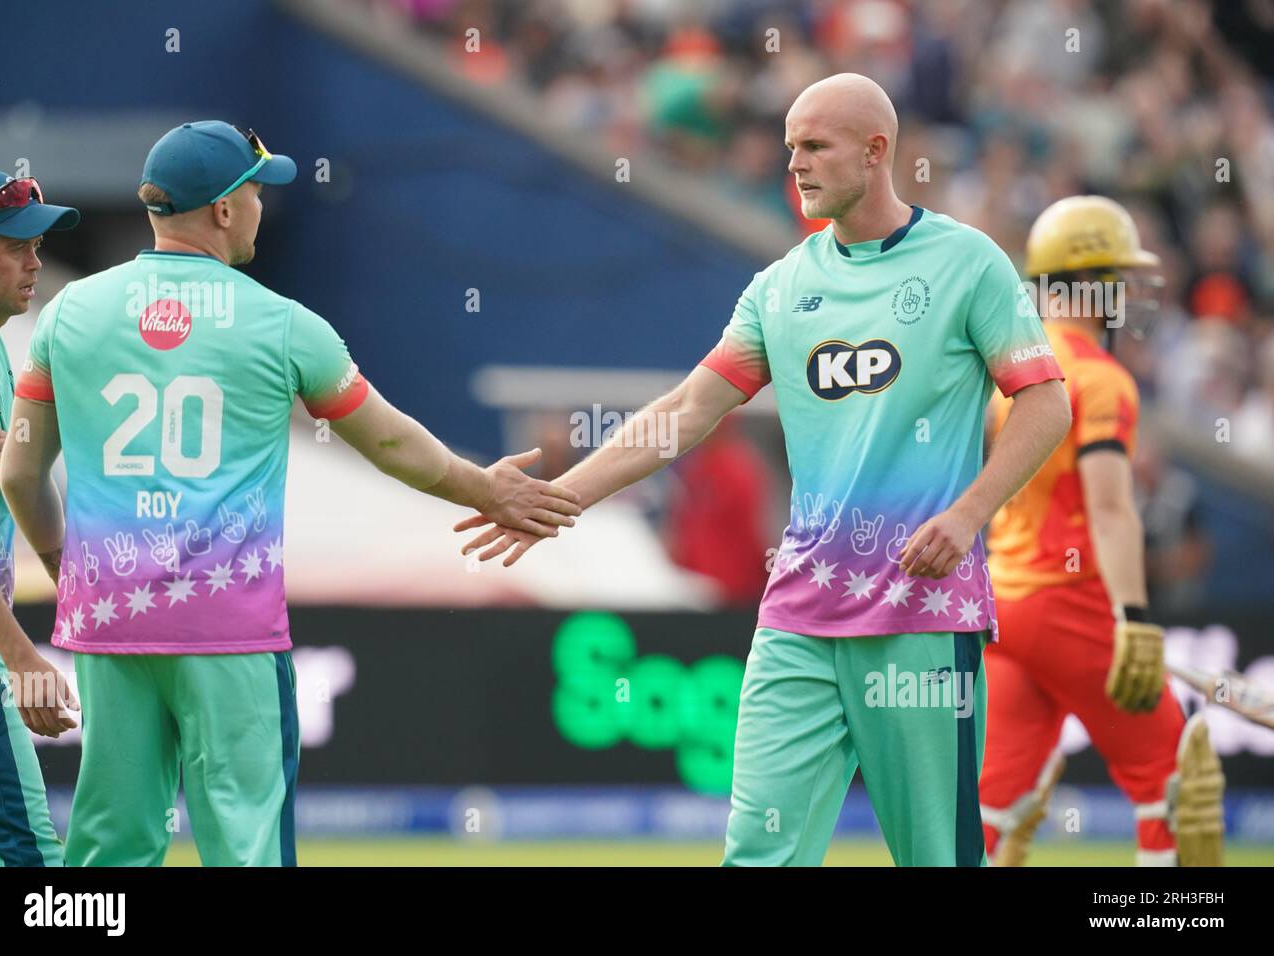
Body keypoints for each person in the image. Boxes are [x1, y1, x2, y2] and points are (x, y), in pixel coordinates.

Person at [458, 74, 1072, 866]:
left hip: (921, 618)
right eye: (790, 148)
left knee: (940, 858)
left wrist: (967, 513)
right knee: (757, 851)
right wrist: (558, 498)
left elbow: (1045, 404)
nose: (797, 165)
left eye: (816, 146)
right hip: (798, 622)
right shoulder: (780, 288)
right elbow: (685, 412)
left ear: (876, 151)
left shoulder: (969, 264)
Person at [0, 122, 580, 866]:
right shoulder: (281, 324)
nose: (261, 208)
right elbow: (392, 443)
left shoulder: (70, 313)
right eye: (255, 192)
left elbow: (20, 474)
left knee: (111, 844)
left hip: (110, 624)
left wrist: (70, 574)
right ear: (223, 209)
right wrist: (485, 489)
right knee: (246, 841)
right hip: (228, 631)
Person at [978, 195, 1224, 867]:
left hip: (1002, 604)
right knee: (1176, 782)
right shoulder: (1100, 378)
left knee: (992, 806)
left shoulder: (1006, 367)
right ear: (1082, 280)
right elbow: (1110, 507)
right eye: (1118, 277)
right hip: (1071, 600)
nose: (1129, 295)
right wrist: (1136, 617)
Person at [0, 169, 80, 866]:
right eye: (15, 245)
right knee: (29, 861)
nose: (35, 263)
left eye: (39, 246)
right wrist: (17, 656)